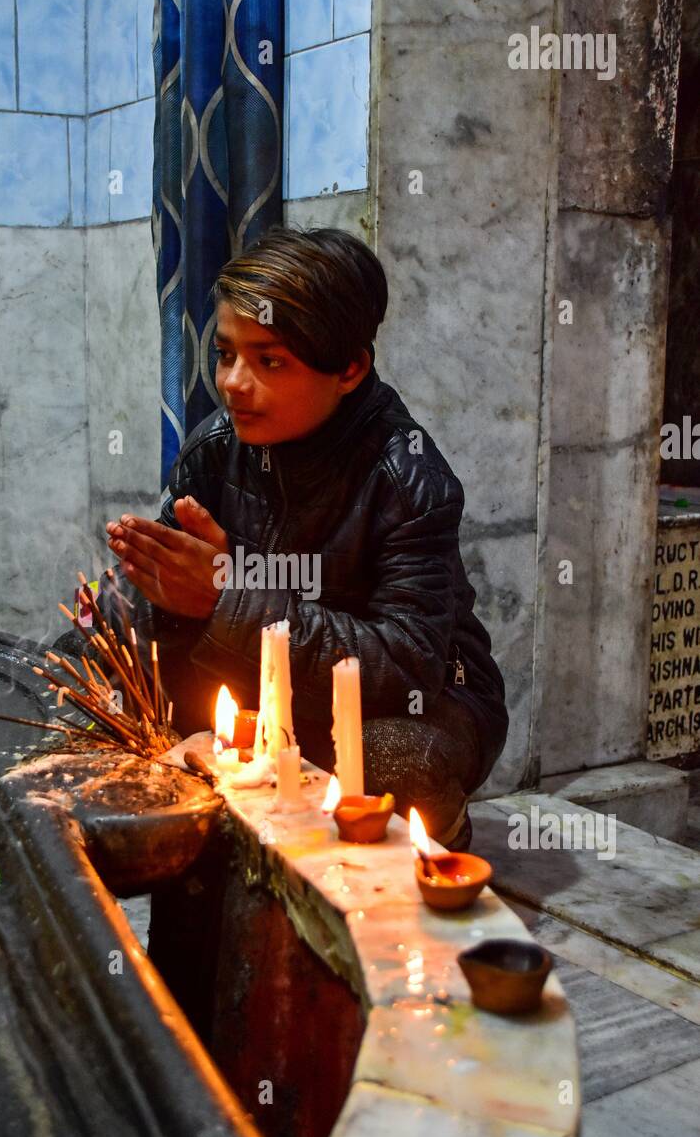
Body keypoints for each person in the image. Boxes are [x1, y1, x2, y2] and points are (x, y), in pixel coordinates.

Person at [99, 226, 508, 848]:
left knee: (391, 755)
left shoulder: (406, 476)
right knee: (102, 667)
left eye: (270, 361)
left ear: (348, 368)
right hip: (272, 678)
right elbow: (173, 588)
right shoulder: (216, 448)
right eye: (226, 353)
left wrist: (227, 593)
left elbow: (404, 667)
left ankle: (436, 846)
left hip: (420, 699)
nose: (233, 383)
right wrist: (132, 594)